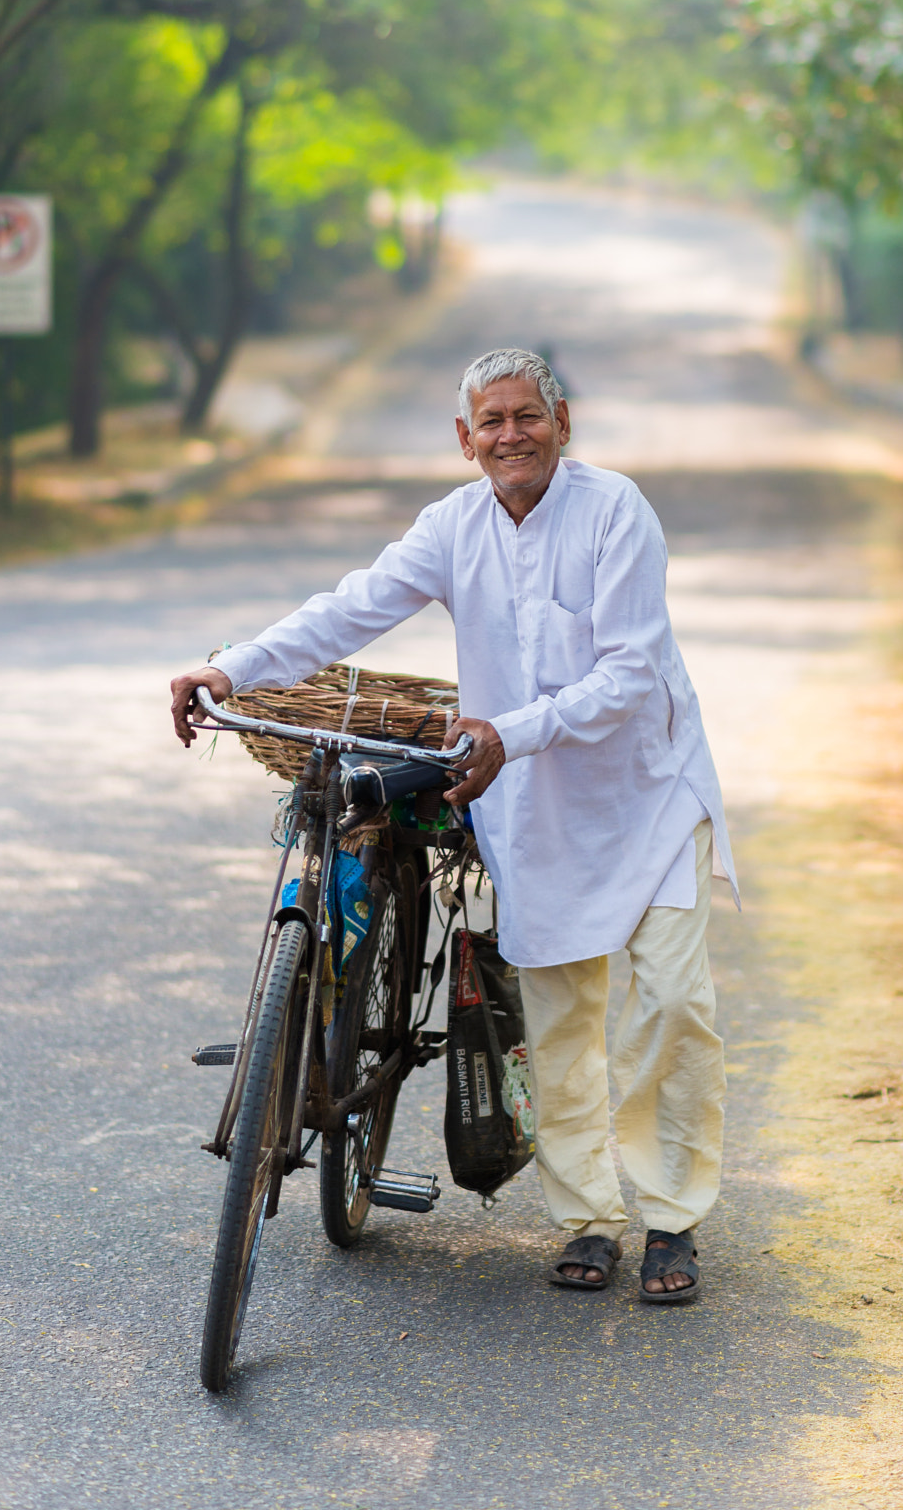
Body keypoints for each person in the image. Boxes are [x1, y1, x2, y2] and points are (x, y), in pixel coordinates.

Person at [170, 347, 738, 1303]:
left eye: (528, 415)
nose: (510, 435)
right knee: (558, 1018)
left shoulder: (615, 512)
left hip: (646, 794)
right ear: (464, 439)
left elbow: (629, 674)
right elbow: (352, 609)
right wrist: (234, 666)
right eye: (492, 422)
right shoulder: (453, 526)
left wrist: (507, 730)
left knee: (673, 1006)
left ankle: (672, 1220)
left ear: (563, 421)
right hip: (534, 806)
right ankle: (588, 1218)